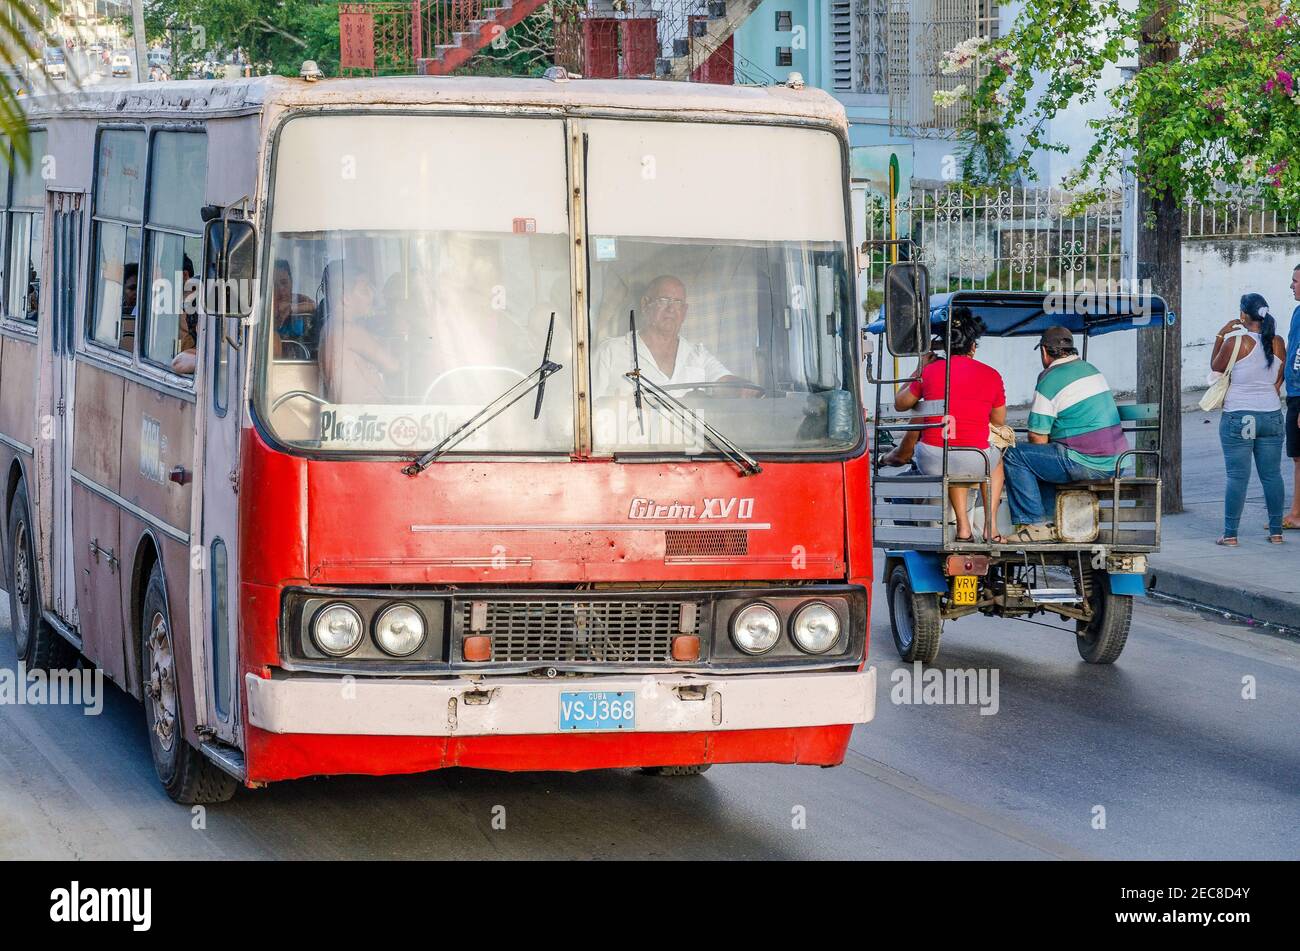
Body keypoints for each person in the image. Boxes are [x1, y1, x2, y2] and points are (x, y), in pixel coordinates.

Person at [1002, 326, 1128, 543]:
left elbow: (1037, 437)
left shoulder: (1050, 378)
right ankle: (1051, 522)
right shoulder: (1090, 369)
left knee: (1014, 454)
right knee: (1042, 457)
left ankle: (1036, 524)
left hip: (1086, 461)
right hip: (1117, 461)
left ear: (1044, 351)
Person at [892, 307, 1007, 542]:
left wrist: (919, 369)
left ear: (945, 346)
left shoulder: (930, 372)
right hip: (975, 459)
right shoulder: (991, 374)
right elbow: (999, 421)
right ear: (973, 346)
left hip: (934, 459)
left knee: (951, 452)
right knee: (994, 462)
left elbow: (900, 404)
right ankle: (991, 528)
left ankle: (963, 529)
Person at [591, 274, 757, 398]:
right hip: (630, 445)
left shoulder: (697, 354)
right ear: (645, 304)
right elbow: (584, 411)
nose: (671, 309)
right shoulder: (610, 352)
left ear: (684, 312)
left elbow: (725, 381)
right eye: (664, 300)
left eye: (678, 303)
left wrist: (745, 388)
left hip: (687, 444)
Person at [1211, 293, 1287, 545]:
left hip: (1239, 416)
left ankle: (1230, 535)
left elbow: (1215, 368)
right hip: (1271, 415)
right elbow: (1279, 378)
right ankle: (1276, 532)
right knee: (1272, 476)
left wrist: (1221, 334)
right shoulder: (1278, 342)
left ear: (1243, 315)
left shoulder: (1235, 342)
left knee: (1237, 477)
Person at [316, 261, 397, 403]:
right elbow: (393, 366)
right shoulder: (348, 330)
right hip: (362, 418)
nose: (372, 294)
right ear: (345, 298)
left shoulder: (330, 328)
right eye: (365, 288)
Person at [1283, 265, 1300, 529]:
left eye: (1295, 281)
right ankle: (1295, 512)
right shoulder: (1298, 312)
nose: (1292, 286)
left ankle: (1296, 514)